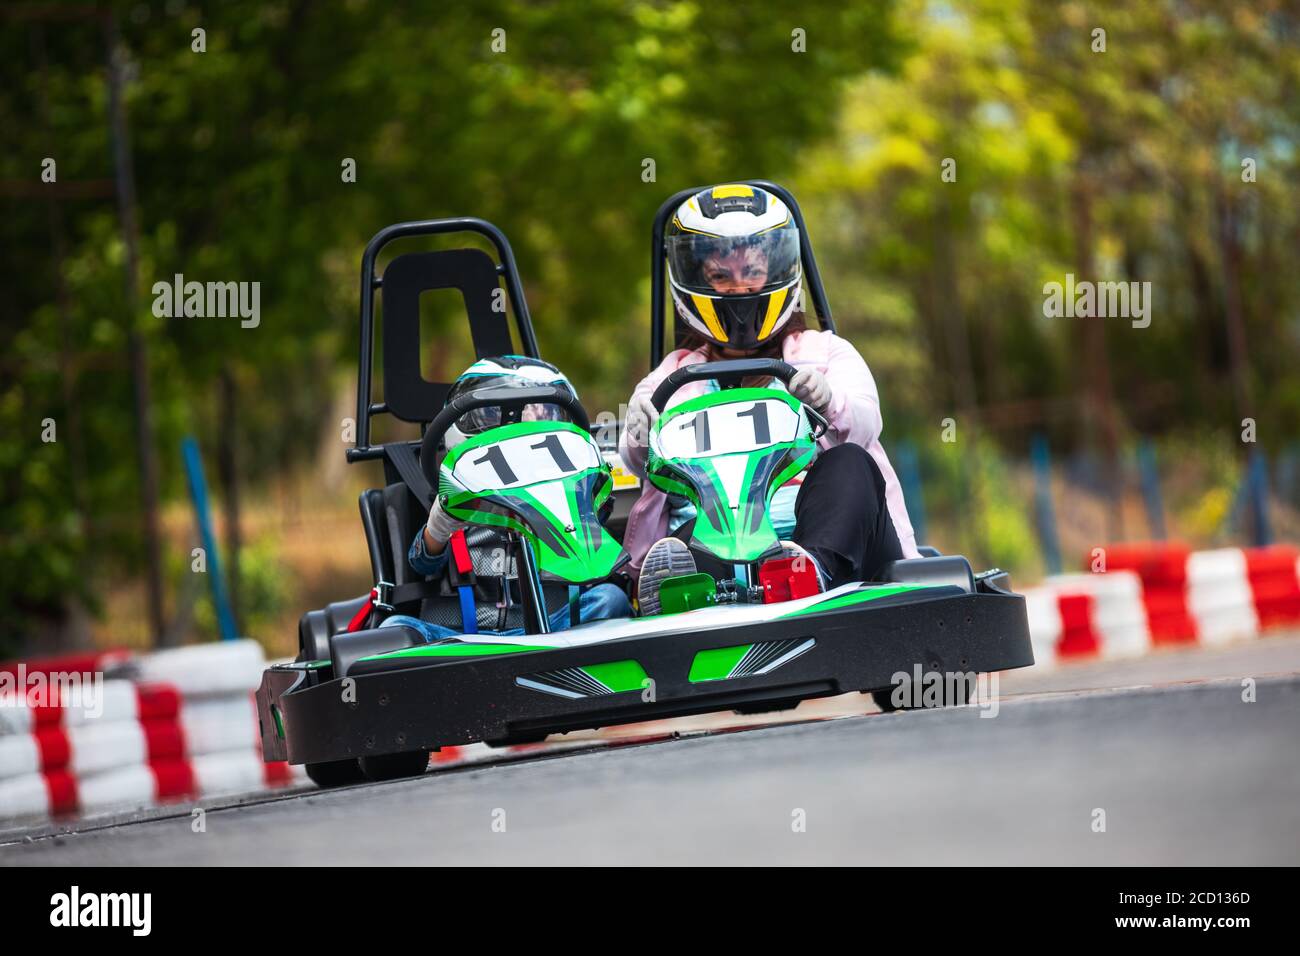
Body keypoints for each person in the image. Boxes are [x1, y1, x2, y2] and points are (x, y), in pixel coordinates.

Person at [620, 184, 920, 614]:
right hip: (719, 541)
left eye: (752, 273)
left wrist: (829, 399)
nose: (739, 289)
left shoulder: (825, 352)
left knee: (852, 461)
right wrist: (638, 431)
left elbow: (867, 422)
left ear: (778, 272)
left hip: (829, 539)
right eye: (720, 276)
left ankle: (805, 571)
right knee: (676, 541)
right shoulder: (674, 375)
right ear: (694, 282)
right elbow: (633, 460)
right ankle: (687, 591)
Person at [382, 356, 631, 641]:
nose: (518, 429)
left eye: (539, 414)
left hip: (556, 626)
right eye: (490, 416)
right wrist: (439, 527)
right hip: (465, 637)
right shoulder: (457, 498)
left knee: (610, 599)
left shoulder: (570, 497)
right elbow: (423, 565)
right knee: (394, 629)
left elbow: (596, 557)